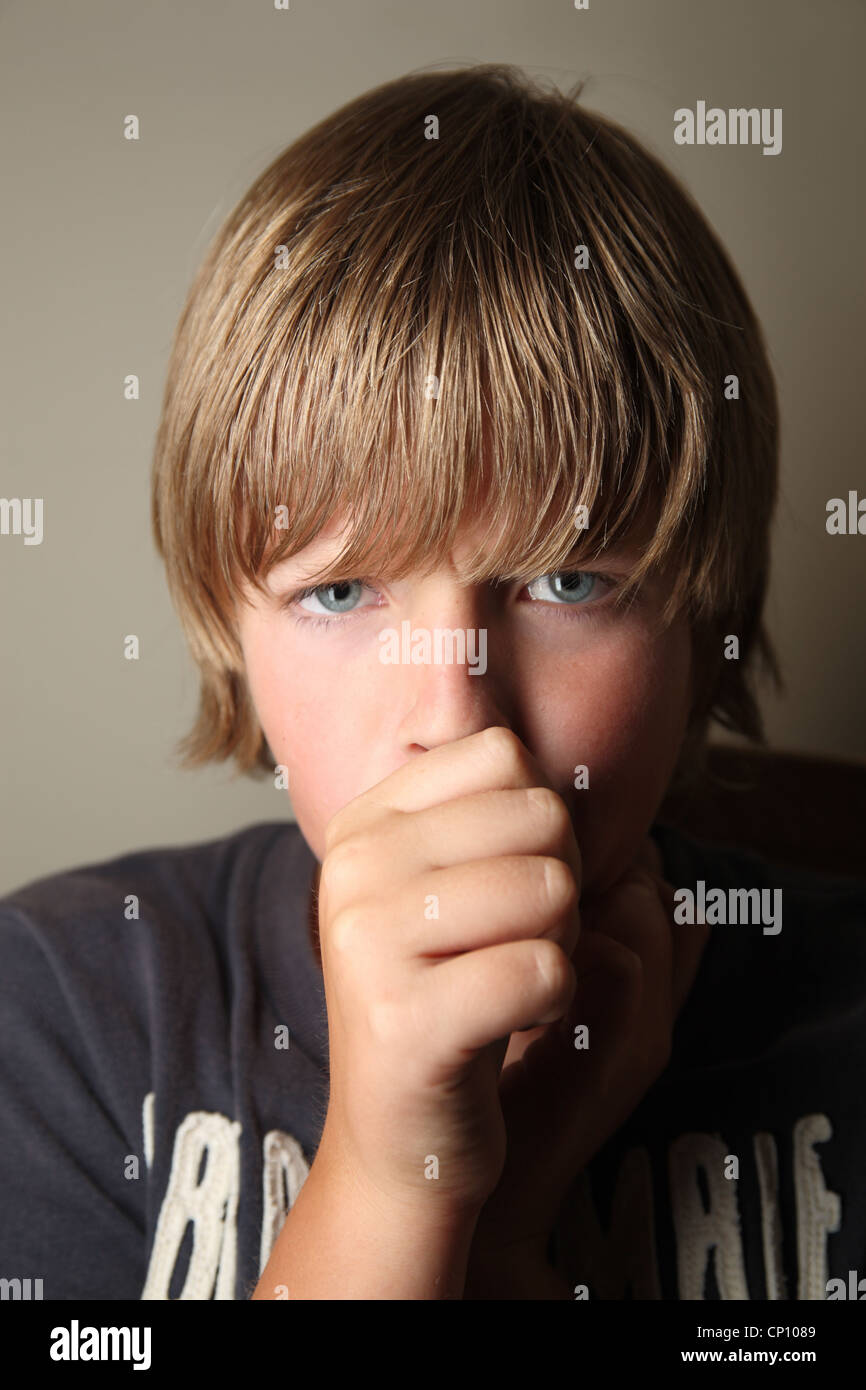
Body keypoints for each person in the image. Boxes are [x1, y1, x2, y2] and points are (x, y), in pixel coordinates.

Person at [1, 64, 864, 1302]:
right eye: (343, 594)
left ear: (703, 621)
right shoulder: (57, 1017)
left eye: (567, 581)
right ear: (227, 633)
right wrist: (401, 1183)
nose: (455, 716)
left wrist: (511, 1246)